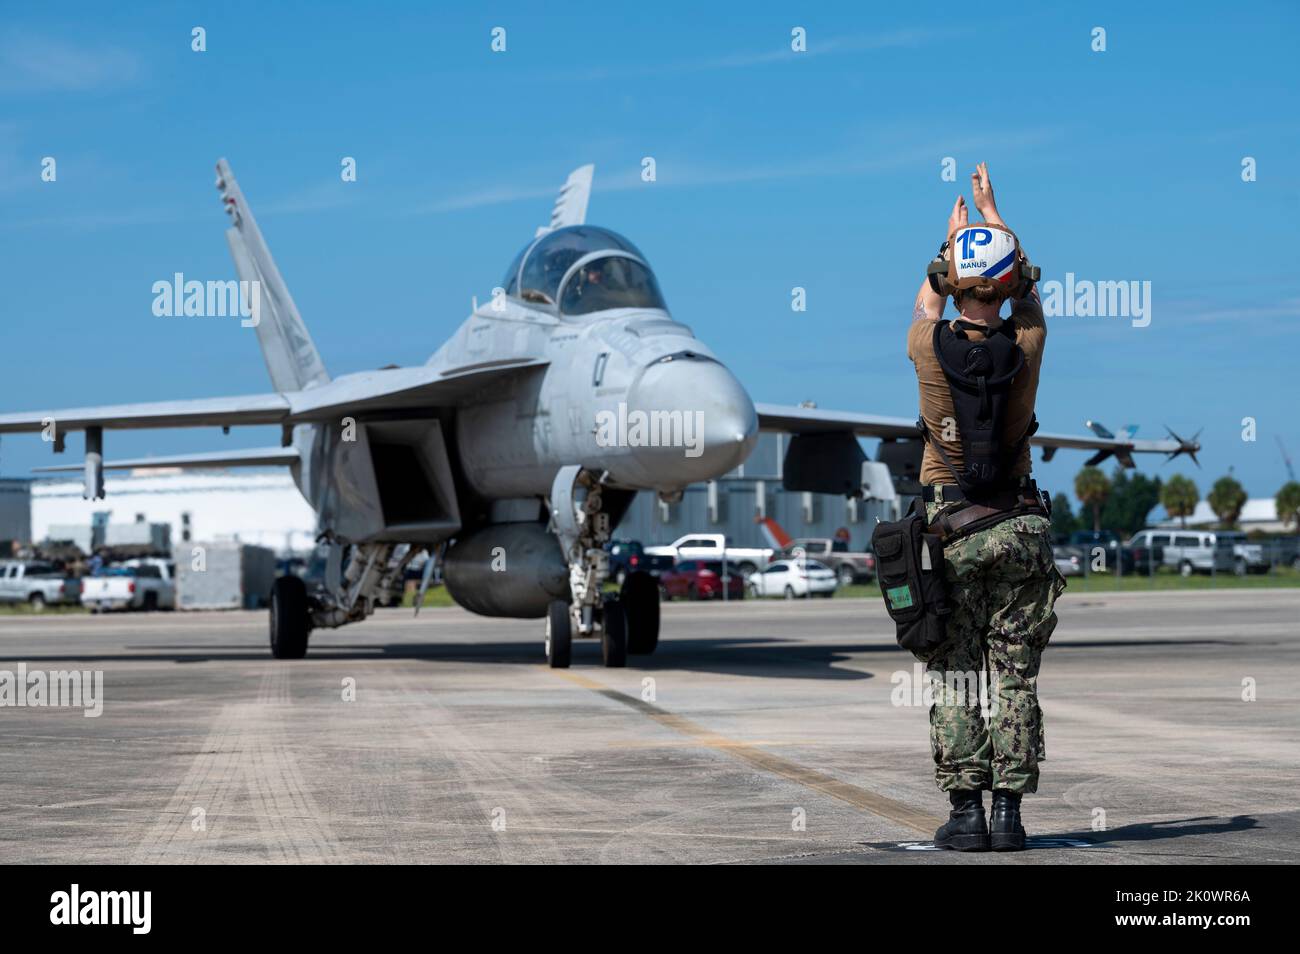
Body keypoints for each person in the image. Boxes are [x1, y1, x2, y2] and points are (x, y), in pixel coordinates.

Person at [908, 163, 1066, 851]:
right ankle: (1010, 817)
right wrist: (994, 215)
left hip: (953, 530)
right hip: (1021, 528)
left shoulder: (926, 347)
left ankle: (965, 814)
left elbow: (924, 306)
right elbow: (1026, 290)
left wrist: (951, 247)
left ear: (953, 283)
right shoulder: (1027, 344)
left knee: (955, 674)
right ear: (1008, 284)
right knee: (1015, 677)